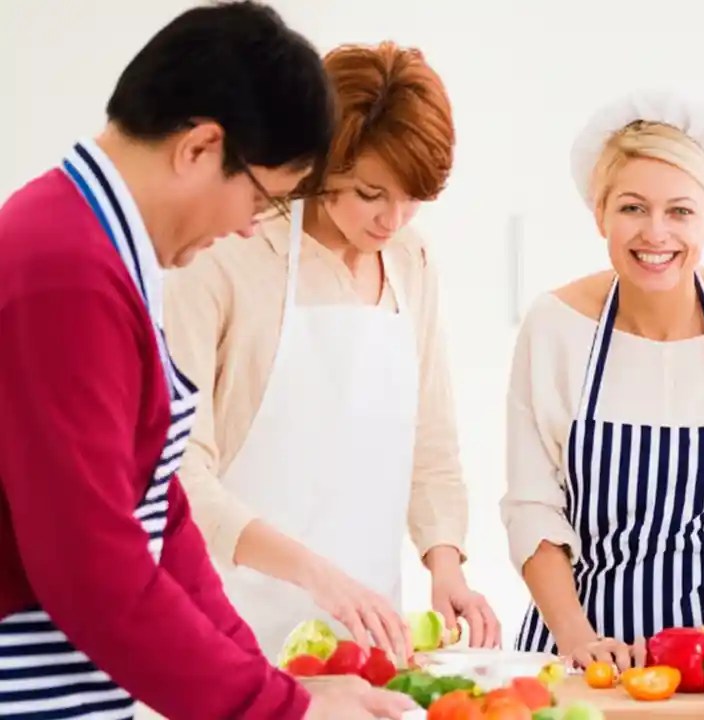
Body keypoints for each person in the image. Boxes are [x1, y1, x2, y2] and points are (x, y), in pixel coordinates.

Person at [0, 3, 415, 719]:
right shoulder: (64, 270)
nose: (249, 225)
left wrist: (277, 691)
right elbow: (91, 569)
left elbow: (161, 518)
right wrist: (284, 710)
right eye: (260, 196)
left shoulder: (98, 251)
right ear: (199, 148)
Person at [165, 40, 499, 662]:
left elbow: (432, 442)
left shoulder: (410, 260)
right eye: (371, 193)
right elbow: (180, 476)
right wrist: (315, 576)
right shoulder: (227, 259)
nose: (392, 220)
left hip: (363, 639)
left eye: (413, 196)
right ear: (322, 163)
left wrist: (444, 562)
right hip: (224, 627)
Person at [500, 91, 704, 669]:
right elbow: (531, 506)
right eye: (631, 208)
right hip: (573, 654)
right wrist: (577, 640)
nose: (655, 233)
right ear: (598, 212)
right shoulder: (554, 326)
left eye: (680, 211)